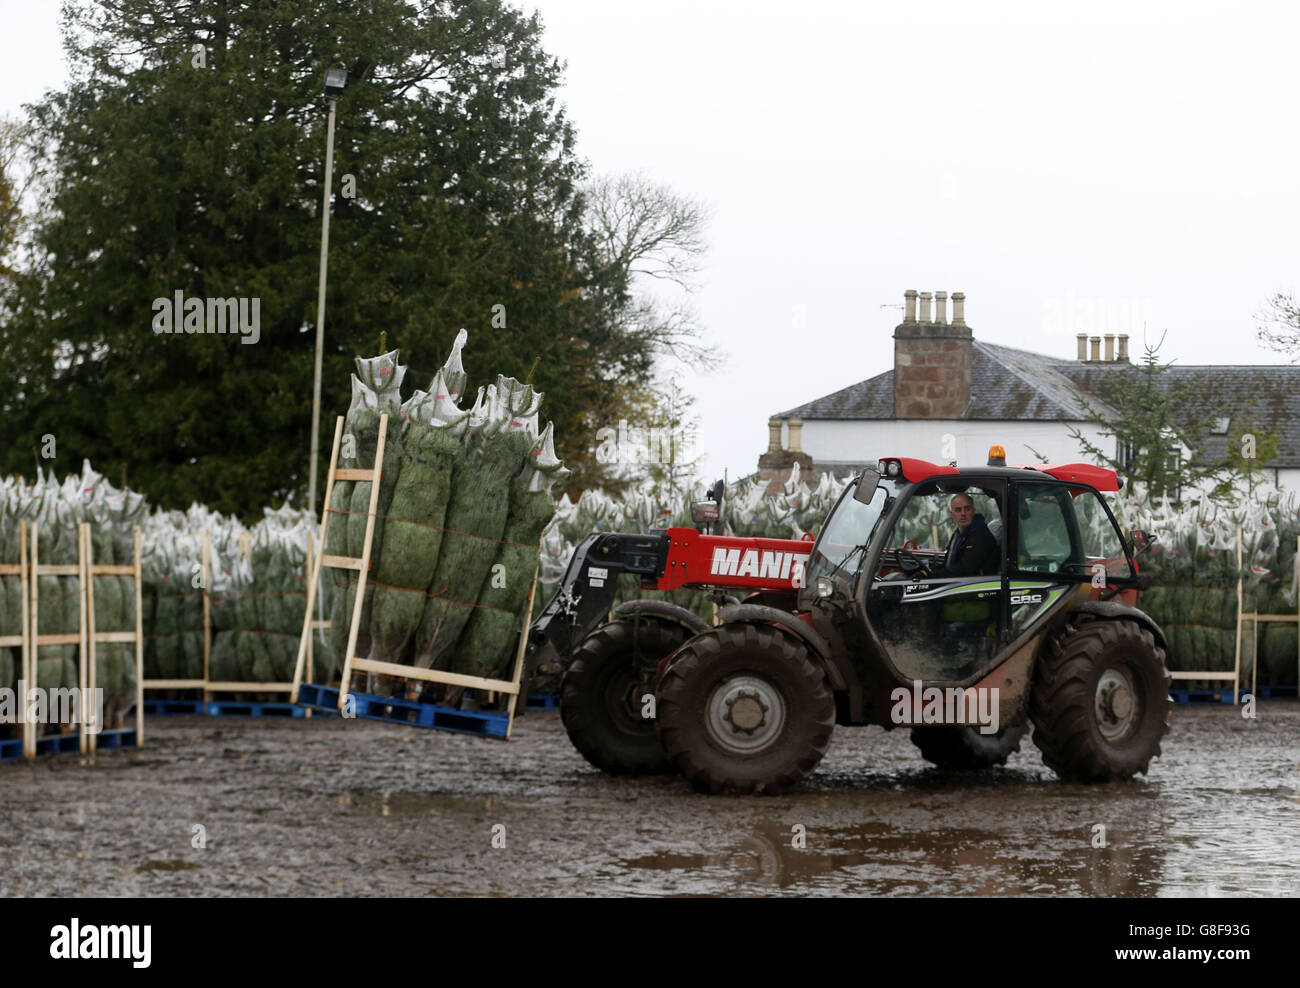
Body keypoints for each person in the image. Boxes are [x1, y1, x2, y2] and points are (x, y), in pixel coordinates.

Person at [927, 493, 999, 578]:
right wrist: (929, 571)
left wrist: (932, 575)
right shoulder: (958, 534)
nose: (963, 513)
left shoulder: (981, 536)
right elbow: (948, 565)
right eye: (958, 510)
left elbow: (963, 571)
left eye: (967, 509)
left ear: (973, 511)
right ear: (951, 513)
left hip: (975, 586)